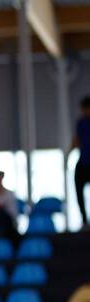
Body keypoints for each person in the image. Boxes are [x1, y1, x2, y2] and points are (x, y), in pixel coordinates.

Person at [71, 96, 90, 229]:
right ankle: (84, 220)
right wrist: (68, 154)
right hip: (83, 162)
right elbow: (76, 140)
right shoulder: (81, 122)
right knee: (78, 190)